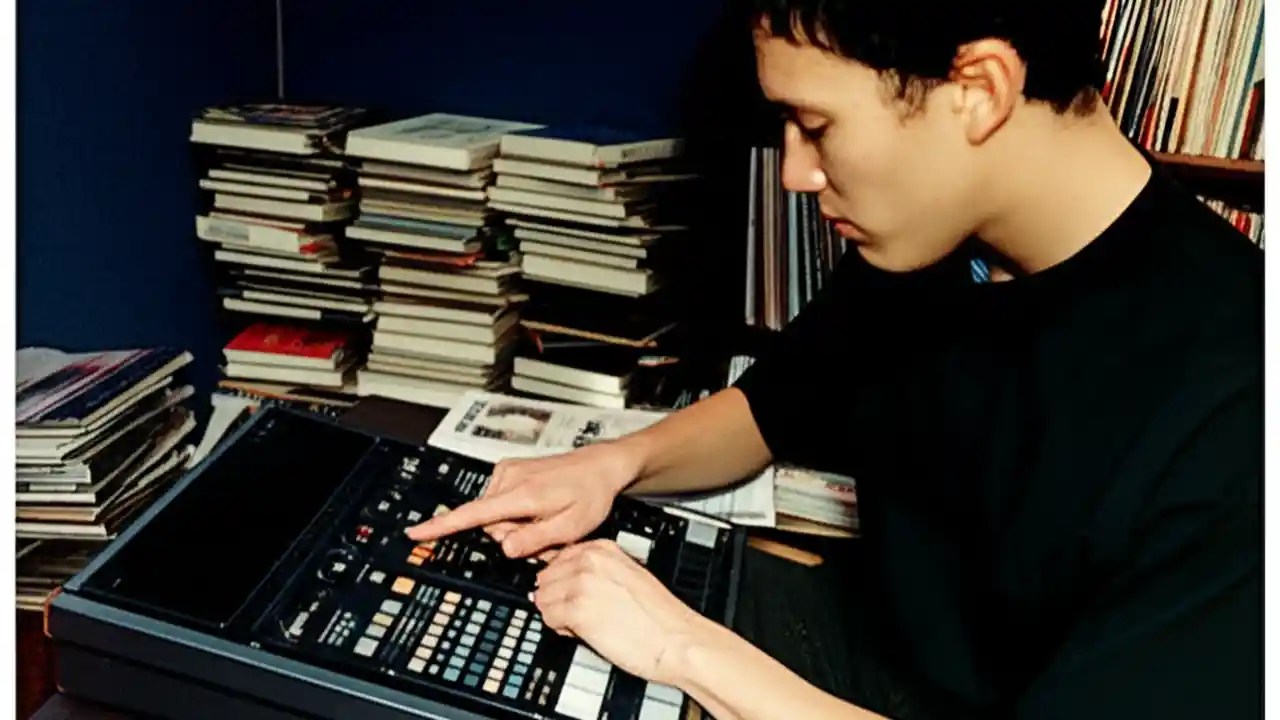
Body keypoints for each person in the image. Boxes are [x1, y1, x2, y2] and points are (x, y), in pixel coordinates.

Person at [407, 2, 1263, 717]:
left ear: (978, 91)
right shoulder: (932, 243)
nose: (795, 174)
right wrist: (614, 464)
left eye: (815, 125)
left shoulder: (1236, 409)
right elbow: (776, 405)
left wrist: (682, 647)